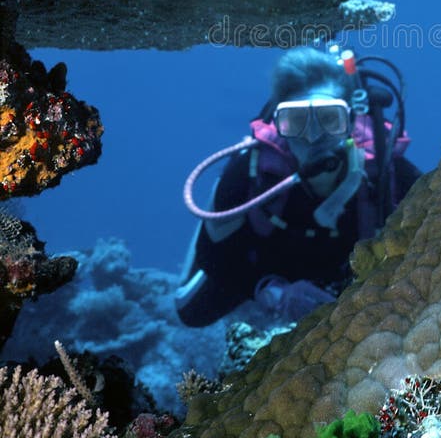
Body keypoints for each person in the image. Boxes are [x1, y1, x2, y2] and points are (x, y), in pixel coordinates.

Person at [175, 45, 421, 326]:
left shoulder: (388, 172)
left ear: (351, 121)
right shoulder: (251, 171)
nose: (314, 137)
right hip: (269, 266)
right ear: (280, 126)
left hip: (347, 271)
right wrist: (269, 291)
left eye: (329, 119)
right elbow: (213, 256)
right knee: (190, 312)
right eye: (297, 122)